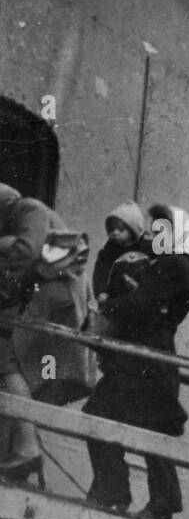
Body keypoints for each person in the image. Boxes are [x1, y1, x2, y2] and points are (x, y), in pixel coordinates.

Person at [83, 205, 189, 519]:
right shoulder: (167, 262)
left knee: (148, 428)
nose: (152, 236)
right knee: (110, 417)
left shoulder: (177, 265)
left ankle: (147, 500)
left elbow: (142, 304)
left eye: (161, 230)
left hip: (151, 355)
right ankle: (119, 491)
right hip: (141, 355)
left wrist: (108, 307)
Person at [0, 184, 86, 482]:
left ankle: (27, 448)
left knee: (8, 360)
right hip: (50, 293)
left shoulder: (29, 209)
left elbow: (27, 251)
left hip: (53, 294)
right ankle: (24, 447)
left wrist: (3, 244)